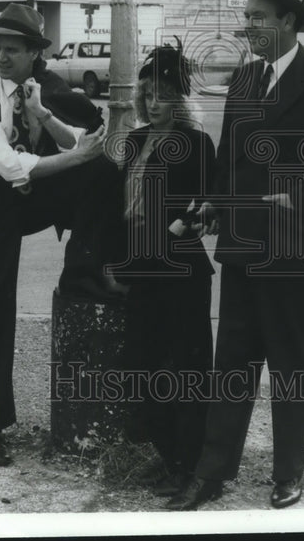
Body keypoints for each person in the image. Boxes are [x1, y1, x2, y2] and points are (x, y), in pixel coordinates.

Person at [169, 0, 304, 510]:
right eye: (246, 17)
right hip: (240, 247)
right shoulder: (244, 80)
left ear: (288, 20)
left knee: (290, 366)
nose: (248, 26)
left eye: (258, 17)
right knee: (232, 365)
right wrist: (213, 204)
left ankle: (289, 473)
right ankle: (212, 472)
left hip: (291, 251)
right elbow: (229, 160)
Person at [0, 3, 118, 467]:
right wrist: (75, 159)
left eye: (12, 50)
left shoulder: (37, 88)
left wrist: (43, 115)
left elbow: (76, 142)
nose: (1, 57)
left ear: (32, 55)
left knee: (101, 172)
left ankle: (85, 271)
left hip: (25, 196)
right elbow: (8, 166)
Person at [112, 42, 216, 497]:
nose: (154, 104)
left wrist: (171, 232)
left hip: (180, 272)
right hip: (141, 267)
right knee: (144, 364)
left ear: (180, 98)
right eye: (148, 94)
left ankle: (192, 467)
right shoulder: (134, 140)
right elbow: (116, 205)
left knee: (187, 371)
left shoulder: (195, 142)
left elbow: (198, 209)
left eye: (164, 95)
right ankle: (169, 454)